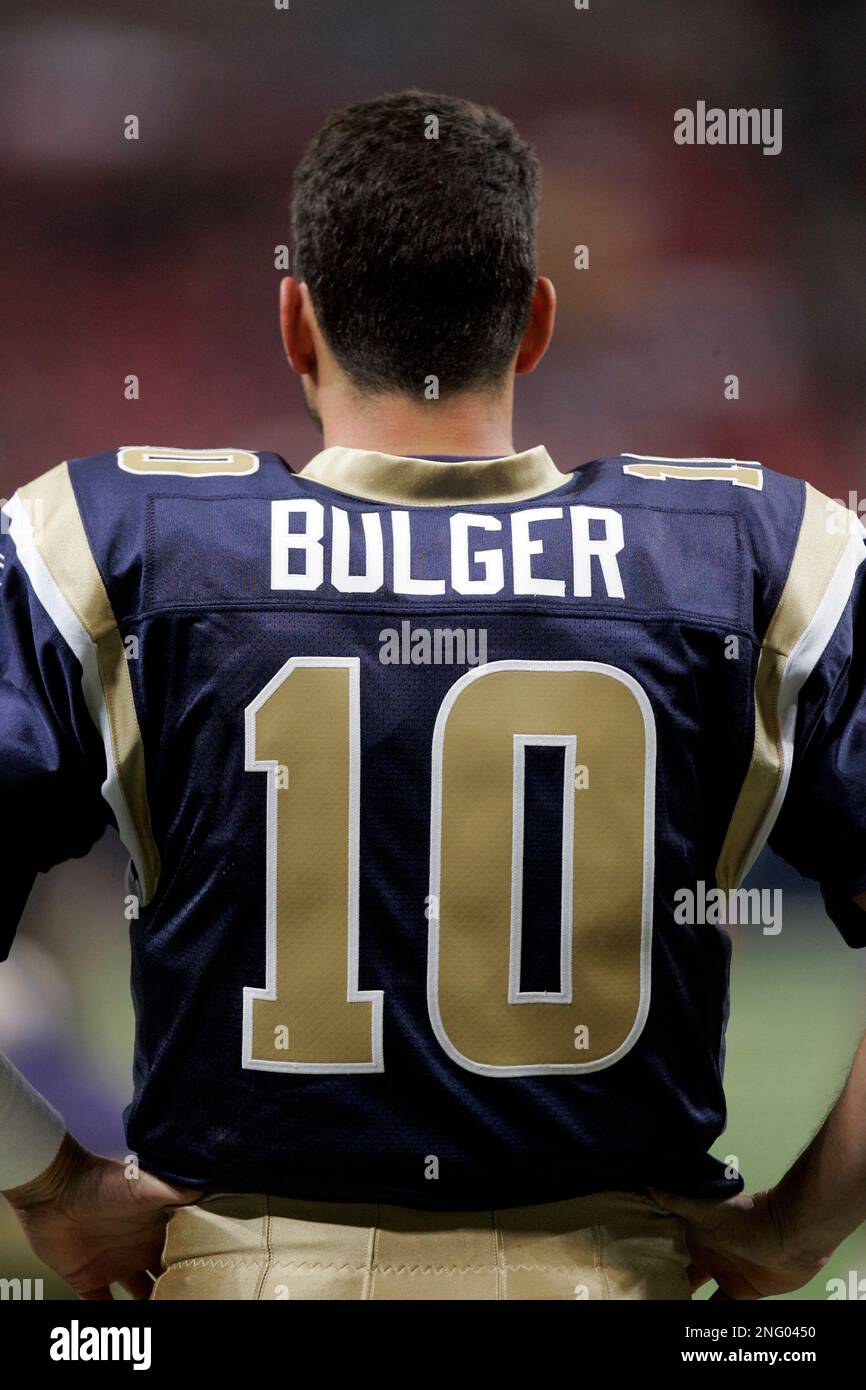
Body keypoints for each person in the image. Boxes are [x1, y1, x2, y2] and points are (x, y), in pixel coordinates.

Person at [2, 90, 865, 1302]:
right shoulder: (748, 552)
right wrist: (798, 1223)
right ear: (534, 324)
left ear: (295, 323)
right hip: (616, 1278)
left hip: (243, 1277)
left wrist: (49, 1186)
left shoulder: (119, 543)